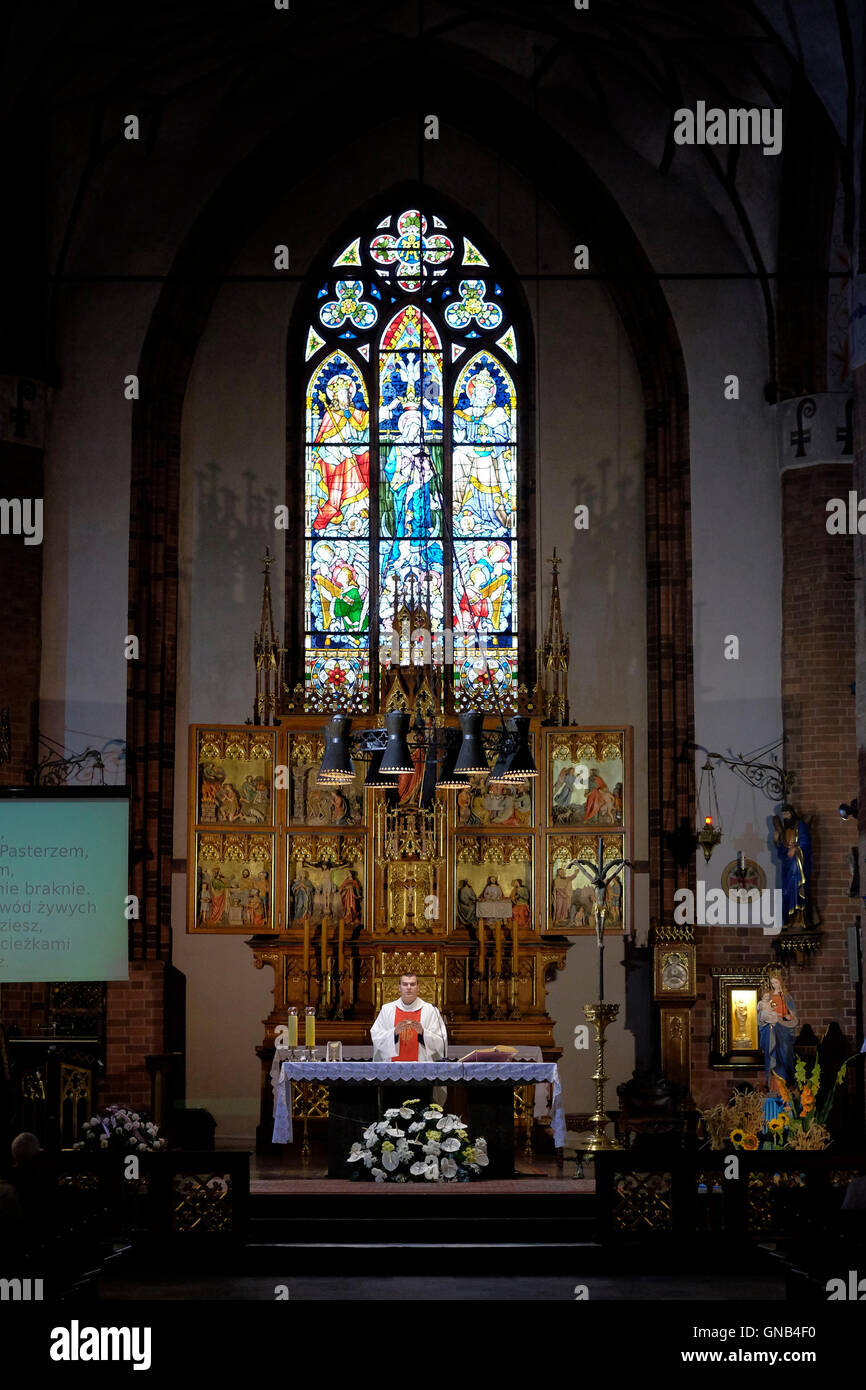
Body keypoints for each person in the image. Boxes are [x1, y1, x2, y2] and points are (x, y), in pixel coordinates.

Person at [370, 974, 448, 1062]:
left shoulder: (431, 1010)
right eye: (405, 984)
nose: (409, 987)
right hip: (392, 1067)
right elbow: (376, 1036)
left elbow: (441, 1041)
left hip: (422, 1066)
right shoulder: (387, 1009)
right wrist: (394, 1033)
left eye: (412, 984)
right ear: (399, 987)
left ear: (418, 987)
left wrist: (423, 1033)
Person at [773, 803, 813, 928]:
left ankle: (801, 918)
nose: (785, 817)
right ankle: (789, 920)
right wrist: (778, 841)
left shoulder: (799, 825)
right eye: (783, 815)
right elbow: (782, 852)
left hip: (798, 863)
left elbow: (806, 842)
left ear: (792, 813)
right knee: (787, 892)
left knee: (798, 889)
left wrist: (796, 848)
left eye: (787, 814)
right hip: (787, 866)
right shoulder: (784, 829)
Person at [758, 973, 798, 1092]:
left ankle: (786, 1087)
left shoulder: (787, 998)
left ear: (780, 982)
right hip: (771, 1031)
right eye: (772, 983)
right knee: (771, 1058)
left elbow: (793, 1018)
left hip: (783, 1032)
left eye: (776, 982)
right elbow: (761, 1015)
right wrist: (765, 1018)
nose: (774, 985)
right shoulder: (768, 997)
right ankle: (774, 1088)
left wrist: (783, 1018)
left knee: (785, 1055)